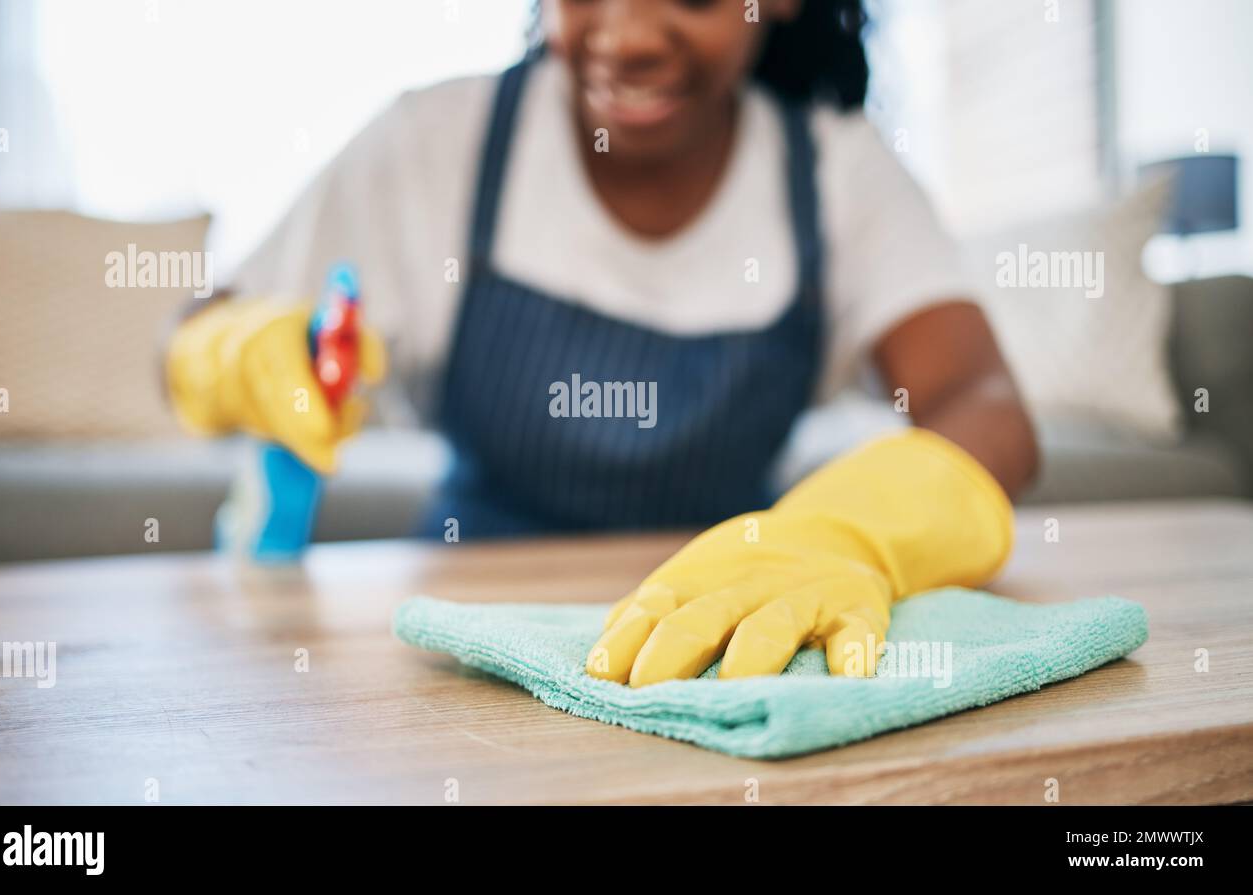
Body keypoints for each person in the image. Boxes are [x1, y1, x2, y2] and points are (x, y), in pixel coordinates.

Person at [166, 0, 1039, 684]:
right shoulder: (440, 142)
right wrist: (231, 353)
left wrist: (849, 534)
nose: (623, 38)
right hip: (466, 648)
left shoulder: (841, 175)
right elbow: (198, 327)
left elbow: (985, 407)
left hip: (730, 642)